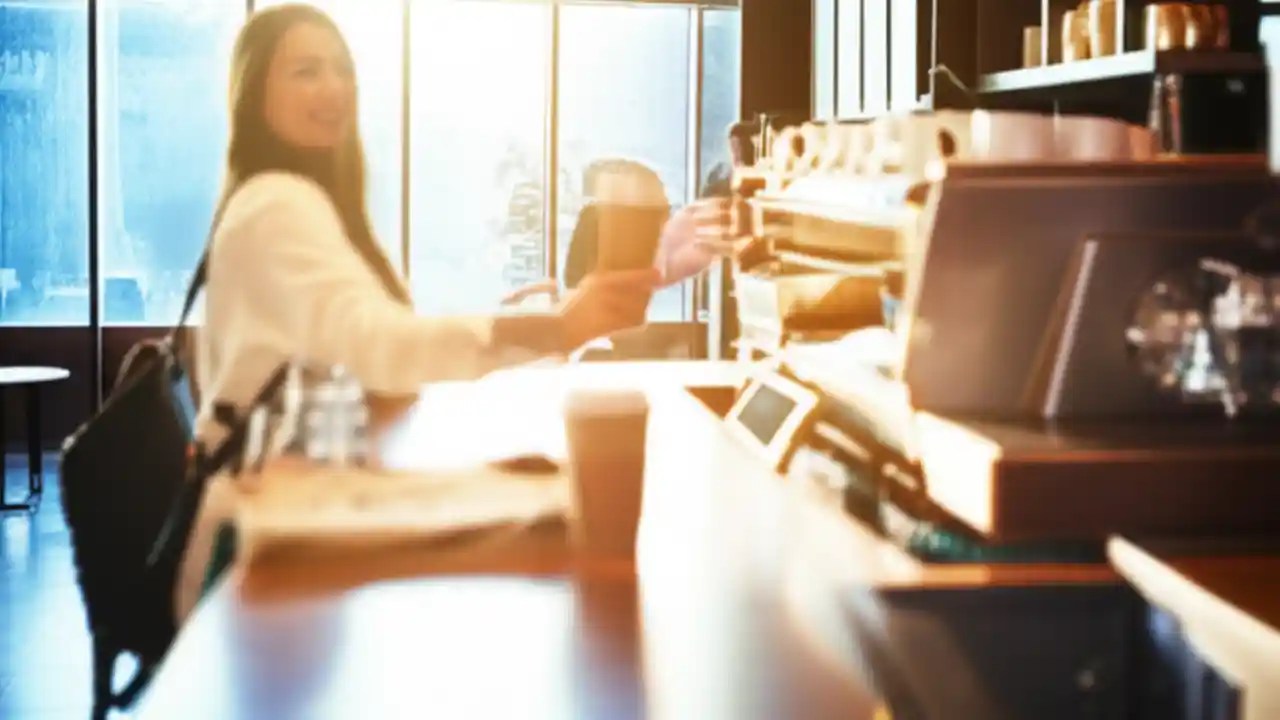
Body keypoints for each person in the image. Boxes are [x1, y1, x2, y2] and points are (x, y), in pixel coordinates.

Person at [174, 3, 657, 622]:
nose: (334, 88)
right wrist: (557, 328)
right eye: (305, 71)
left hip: (286, 512)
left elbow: (374, 354)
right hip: (248, 552)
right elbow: (382, 347)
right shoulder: (276, 205)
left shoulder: (295, 201)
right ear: (253, 95)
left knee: (524, 508)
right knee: (535, 533)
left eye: (342, 69)